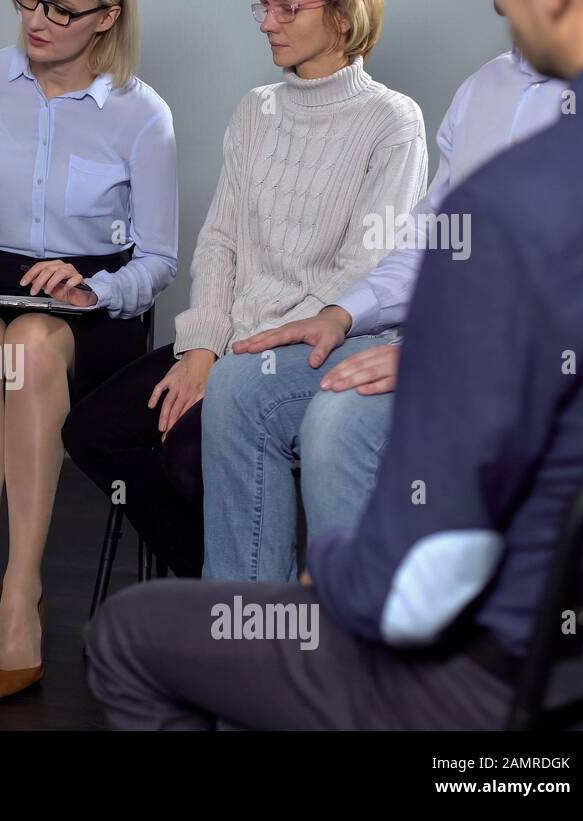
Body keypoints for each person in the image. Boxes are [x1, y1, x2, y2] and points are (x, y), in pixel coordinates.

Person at [86, 0, 583, 731]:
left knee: (126, 634)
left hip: (493, 680)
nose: (498, 8)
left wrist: (330, 573)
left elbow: (413, 588)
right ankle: (255, 650)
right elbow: (416, 248)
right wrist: (344, 314)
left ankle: (331, 660)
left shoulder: (516, 196)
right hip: (569, 646)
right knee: (243, 384)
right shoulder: (488, 105)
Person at [204, 0, 569, 584]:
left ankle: (350, 649)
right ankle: (252, 632)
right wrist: (343, 314)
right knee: (239, 384)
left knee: (339, 421)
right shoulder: (486, 88)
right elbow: (427, 239)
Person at [64, 0, 427, 580]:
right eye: (262, 6)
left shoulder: (392, 121)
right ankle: (210, 586)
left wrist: (245, 360)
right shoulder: (257, 110)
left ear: (343, 18)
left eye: (287, 8)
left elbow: (368, 271)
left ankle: (244, 611)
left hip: (316, 351)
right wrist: (204, 350)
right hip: (231, 342)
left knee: (188, 461)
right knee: (93, 432)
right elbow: (220, 241)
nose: (266, 22)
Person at [0, 0, 179, 698]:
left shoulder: (143, 113)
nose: (37, 19)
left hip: (91, 303)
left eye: (63, 8)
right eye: (29, 1)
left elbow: (160, 258)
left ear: (106, 17)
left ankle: (21, 590)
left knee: (35, 343)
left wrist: (96, 287)